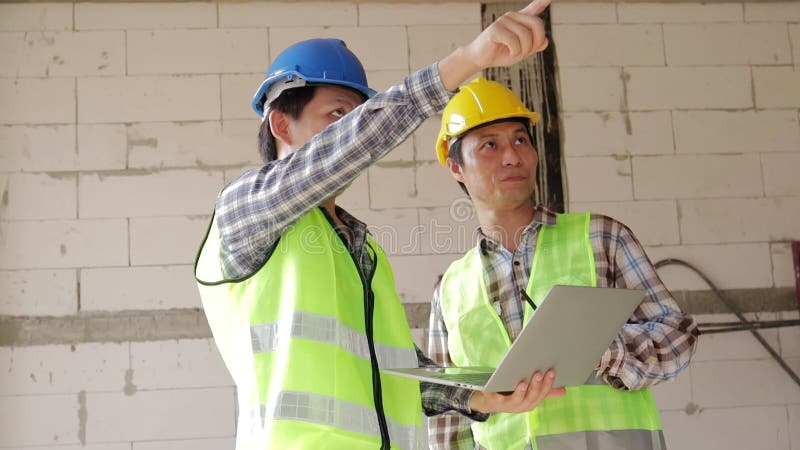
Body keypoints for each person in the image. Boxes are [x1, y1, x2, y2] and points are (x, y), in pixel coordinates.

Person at [194, 1, 565, 449]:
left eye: (357, 116)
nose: (351, 130)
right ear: (280, 123)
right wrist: (468, 60)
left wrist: (478, 396)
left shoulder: (361, 249)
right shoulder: (243, 210)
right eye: (337, 116)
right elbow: (347, 147)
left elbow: (387, 367)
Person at [427, 78, 700, 449]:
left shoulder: (602, 238)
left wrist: (604, 349)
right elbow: (448, 414)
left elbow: (677, 336)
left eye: (520, 140)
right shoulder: (450, 289)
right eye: (490, 145)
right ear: (456, 167)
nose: (513, 156)